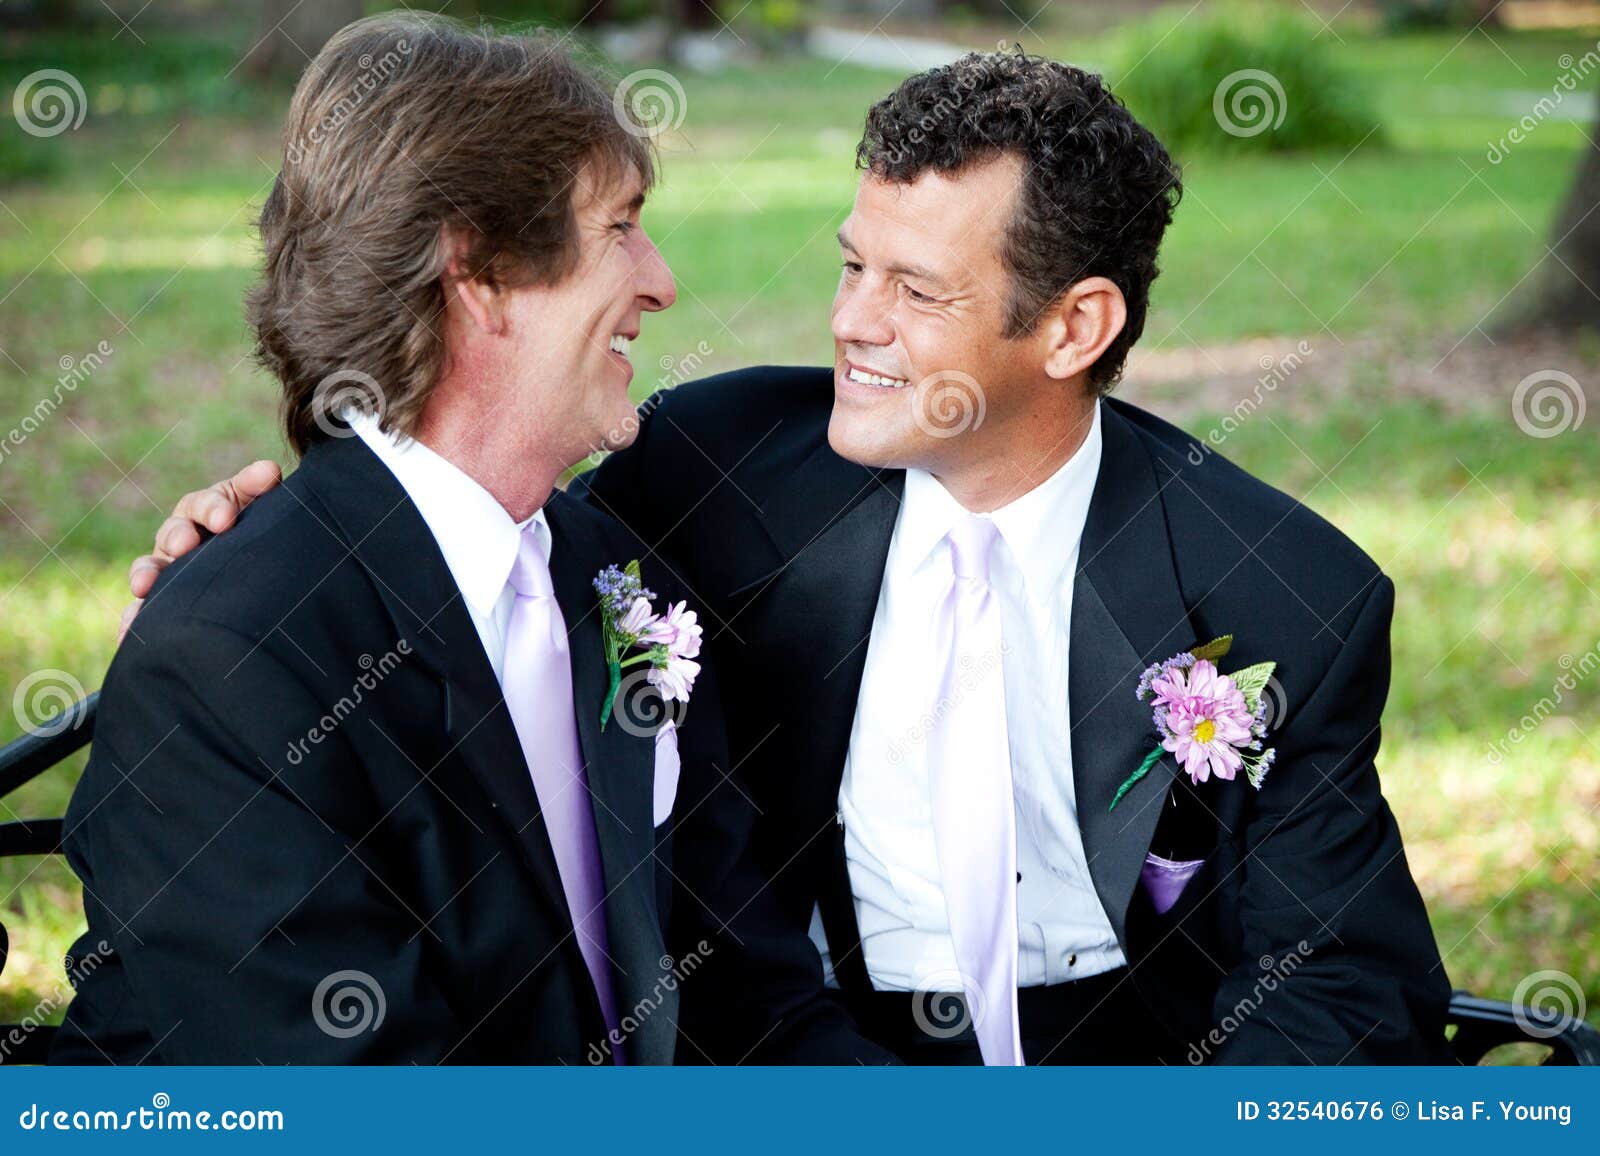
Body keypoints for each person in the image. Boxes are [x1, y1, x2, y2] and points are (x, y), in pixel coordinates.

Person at [122, 51, 1454, 1064]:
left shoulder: (1283, 590)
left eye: (915, 291)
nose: (851, 326)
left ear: (1072, 327)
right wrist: (239, 548)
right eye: (851, 265)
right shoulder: (710, 477)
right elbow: (420, 507)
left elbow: (1344, 981)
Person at [53, 14, 729, 1064]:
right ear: (481, 273)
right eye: (621, 227)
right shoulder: (230, 660)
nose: (661, 279)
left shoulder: (614, 572)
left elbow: (733, 977)